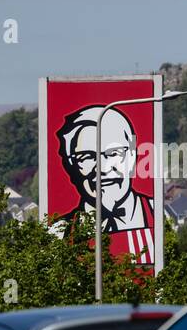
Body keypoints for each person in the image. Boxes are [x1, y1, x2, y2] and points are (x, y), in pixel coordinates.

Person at [53, 105, 155, 265]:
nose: (103, 167)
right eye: (86, 157)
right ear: (71, 166)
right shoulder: (58, 233)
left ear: (132, 156)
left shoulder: (159, 215)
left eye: (114, 153)